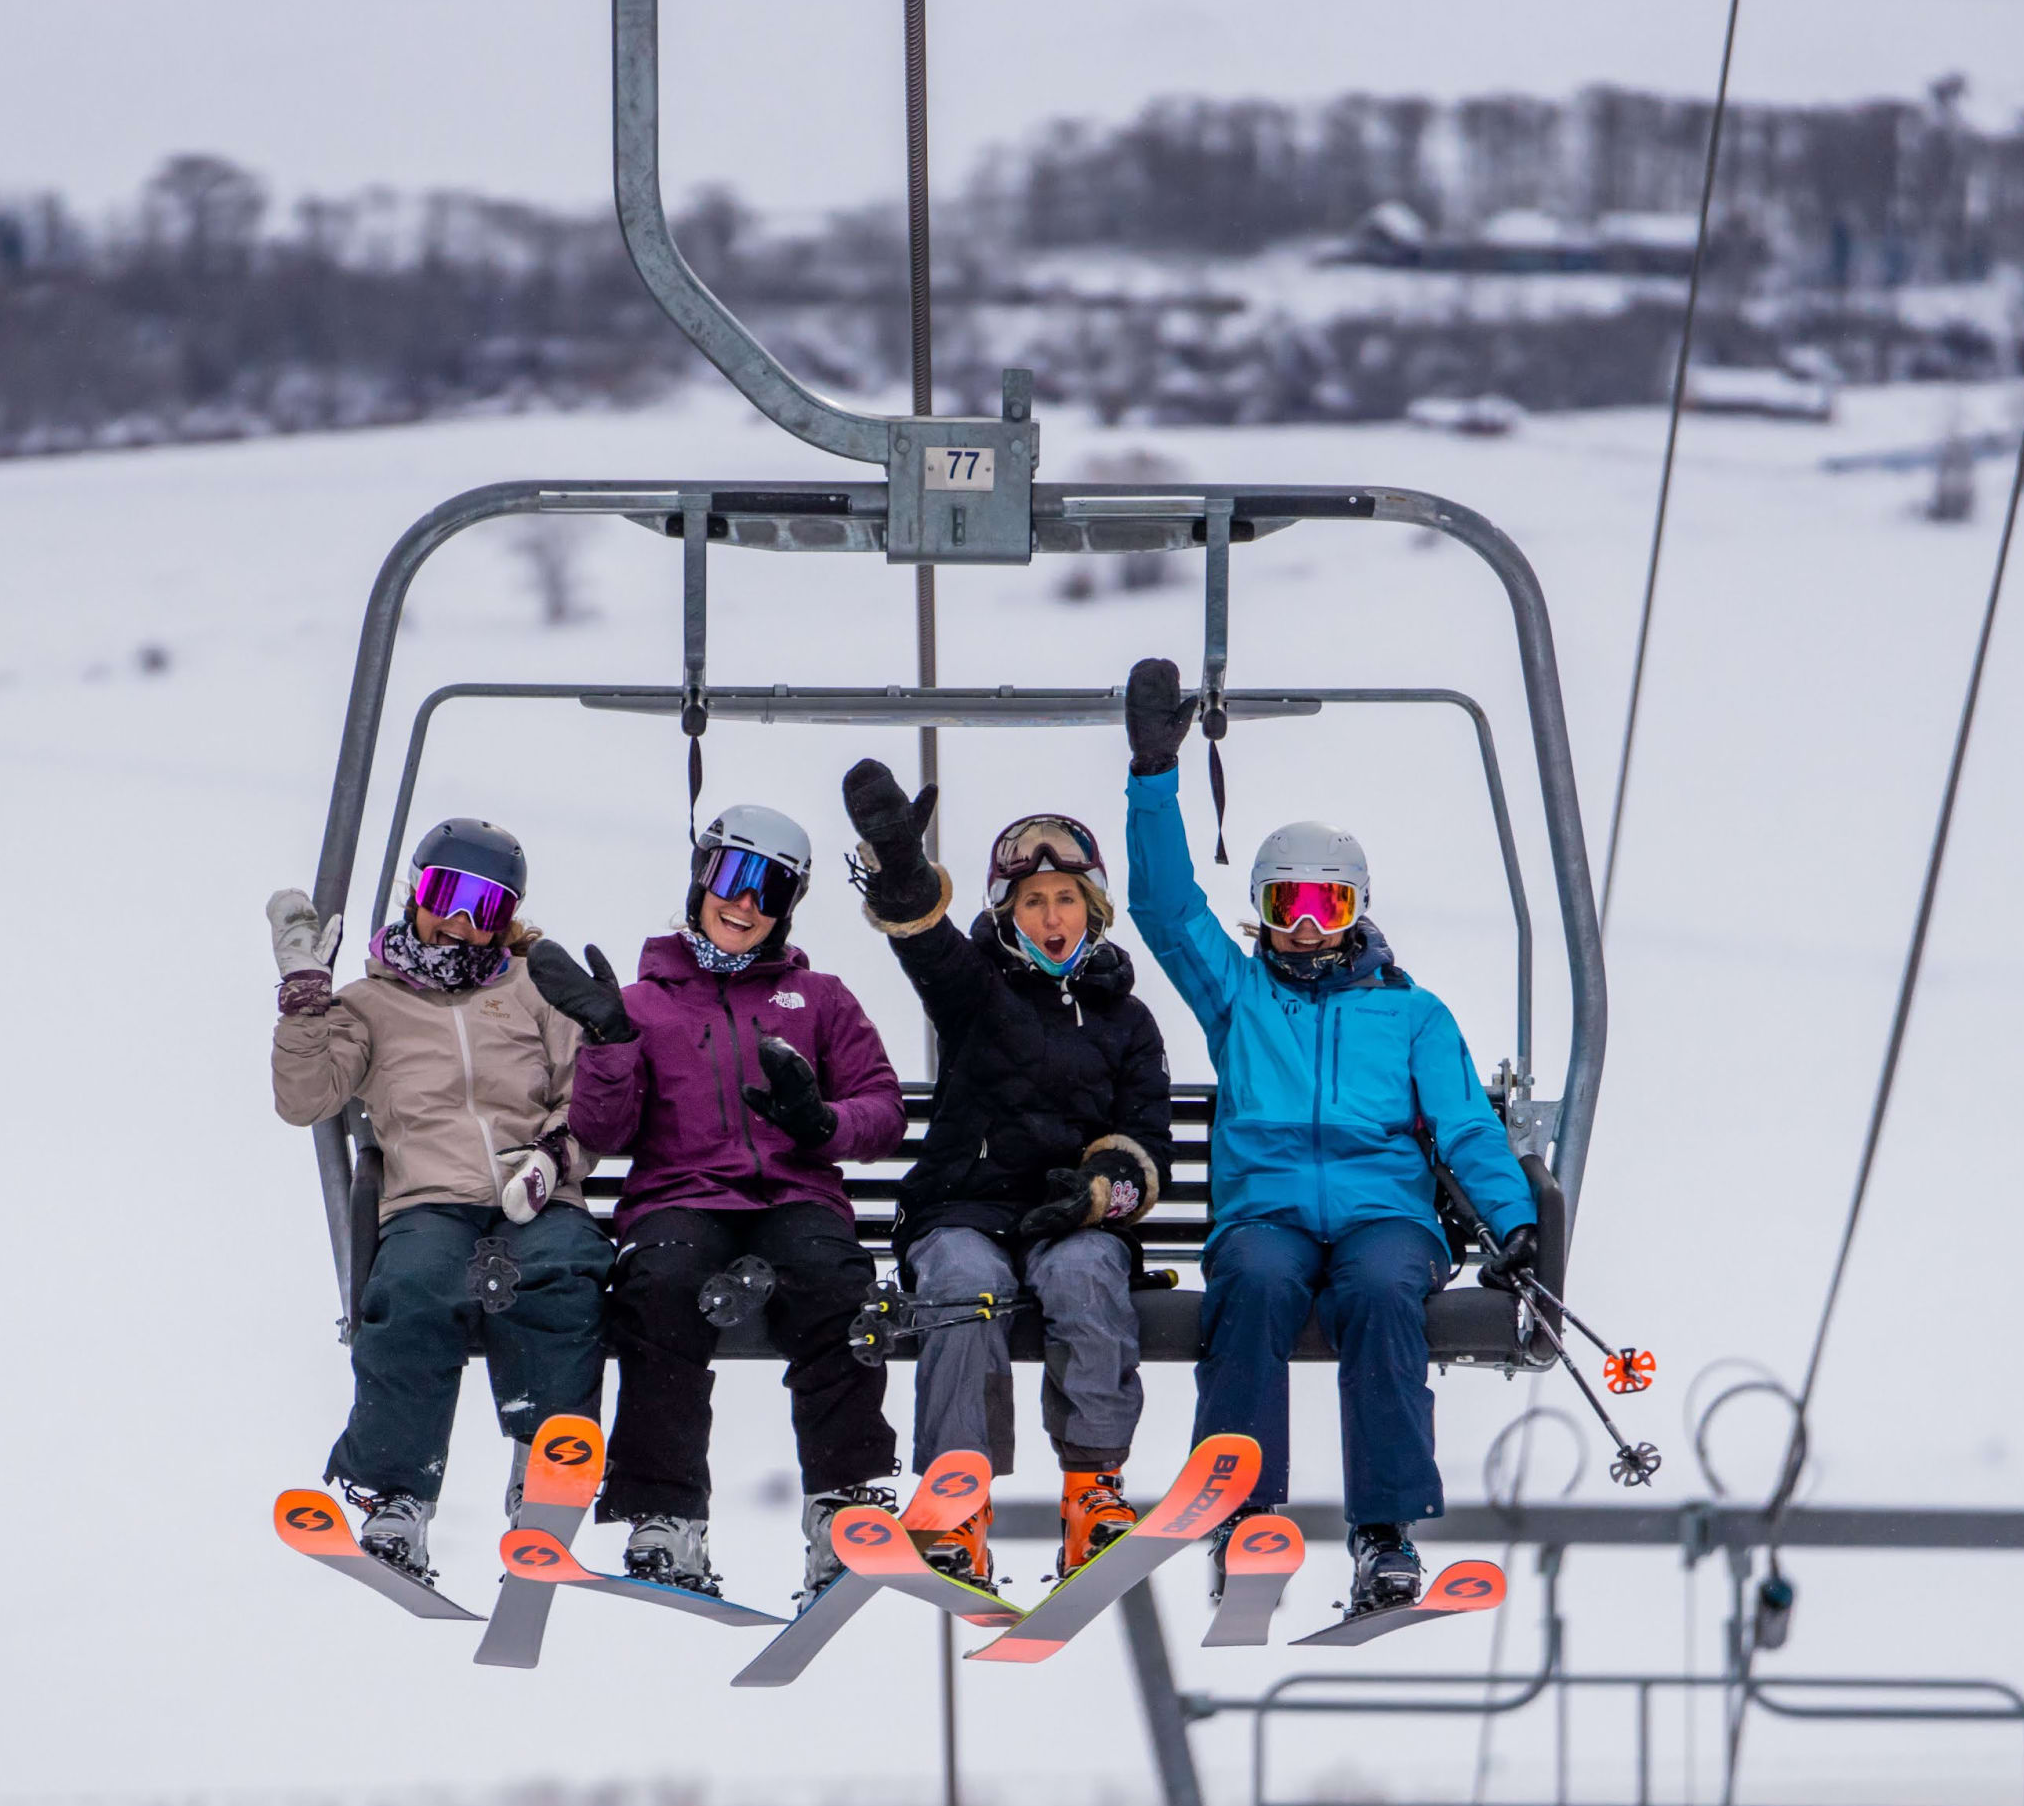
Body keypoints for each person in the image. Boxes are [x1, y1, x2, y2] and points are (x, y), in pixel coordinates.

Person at [1118, 659, 1544, 1617]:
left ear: (1357, 912)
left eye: (1328, 908)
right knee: (1256, 1285)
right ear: (1263, 914)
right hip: (1265, 1213)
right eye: (1287, 908)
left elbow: (1466, 1124)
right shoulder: (1241, 999)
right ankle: (1242, 1513)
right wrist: (1154, 777)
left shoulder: (1412, 1015)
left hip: (1382, 1215)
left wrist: (1514, 1222)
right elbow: (1166, 910)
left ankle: (1384, 1530)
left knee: (1387, 1293)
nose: (1307, 930)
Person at [532, 805, 907, 1599]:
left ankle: (843, 1508)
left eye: (769, 890)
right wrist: (606, 1043)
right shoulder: (643, 1003)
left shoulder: (820, 998)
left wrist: (821, 1123)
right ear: (702, 877)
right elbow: (604, 1127)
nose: (745, 904)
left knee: (837, 1287)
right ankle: (664, 1515)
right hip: (681, 1194)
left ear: (789, 907)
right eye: (733, 878)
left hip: (795, 1192)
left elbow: (883, 1109)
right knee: (659, 1289)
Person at [838, 762, 1172, 1589]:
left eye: (1064, 900)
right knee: (960, 1283)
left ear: (1090, 911)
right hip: (965, 1210)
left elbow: (1146, 1147)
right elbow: (926, 946)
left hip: (1069, 1220)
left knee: (1091, 1275)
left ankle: (1093, 1488)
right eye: (1032, 902)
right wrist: (902, 868)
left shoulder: (1128, 1023)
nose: (1049, 917)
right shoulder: (977, 992)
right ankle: (958, 1496)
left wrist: (1100, 1192)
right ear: (1008, 913)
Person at [267, 818, 612, 1589]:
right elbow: (307, 1097)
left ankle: (544, 1478)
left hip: (535, 1189)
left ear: (507, 919)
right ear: (415, 892)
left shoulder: (533, 989)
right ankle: (398, 1493)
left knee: (562, 1270)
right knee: (413, 1291)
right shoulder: (368, 1003)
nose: (459, 921)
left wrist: (557, 1158)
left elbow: (585, 1093)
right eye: (445, 895)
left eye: (484, 907)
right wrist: (303, 1007)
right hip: (430, 1197)